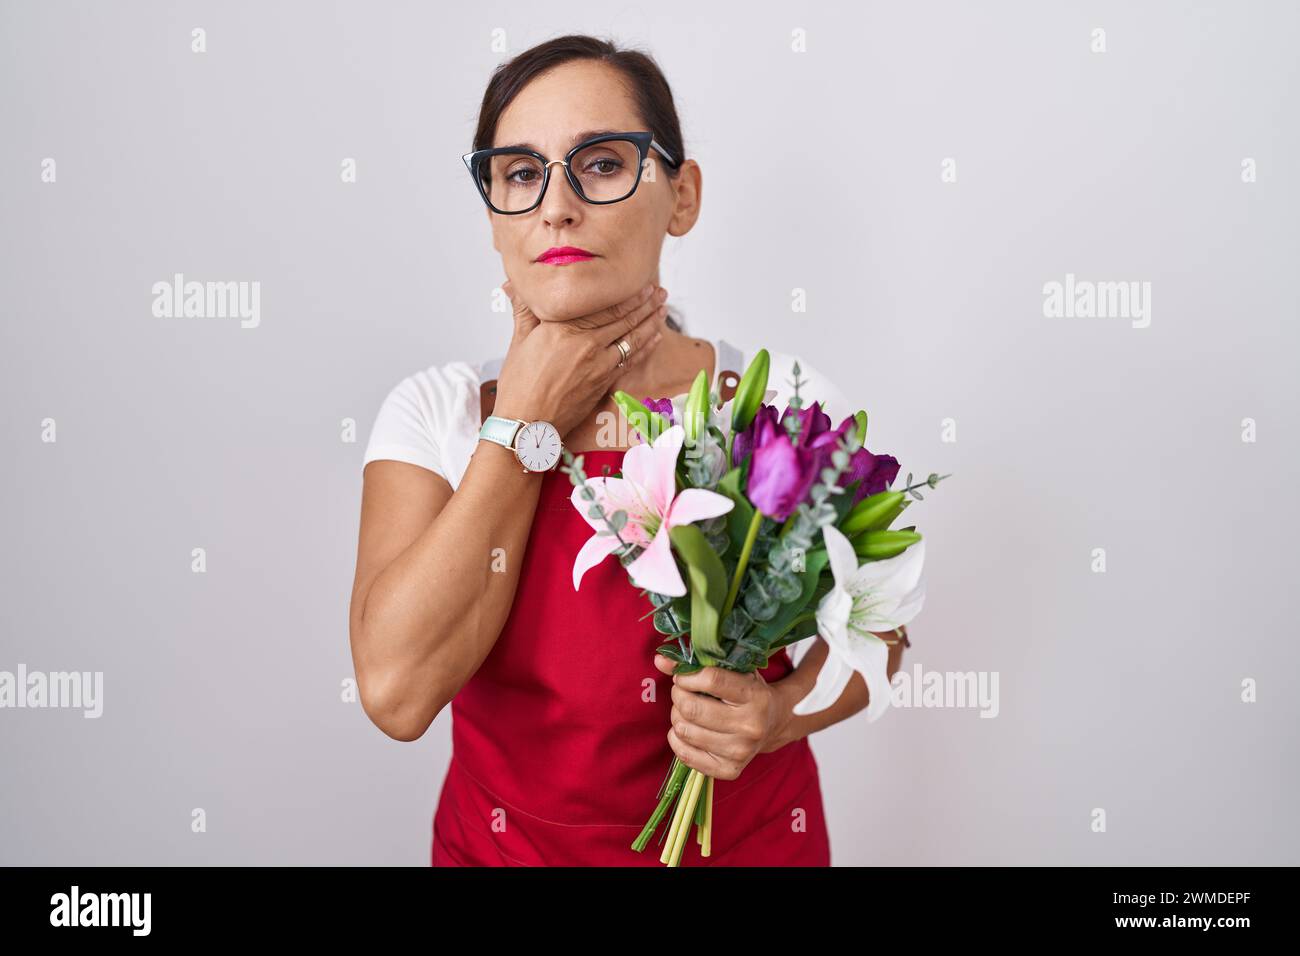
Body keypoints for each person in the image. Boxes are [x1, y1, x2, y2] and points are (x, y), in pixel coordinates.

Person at [349, 34, 906, 866]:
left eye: (602, 164)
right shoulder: (437, 414)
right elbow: (396, 695)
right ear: (495, 215)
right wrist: (526, 421)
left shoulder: (778, 402)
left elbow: (885, 630)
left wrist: (779, 715)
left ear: (682, 197)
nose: (556, 207)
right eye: (521, 173)